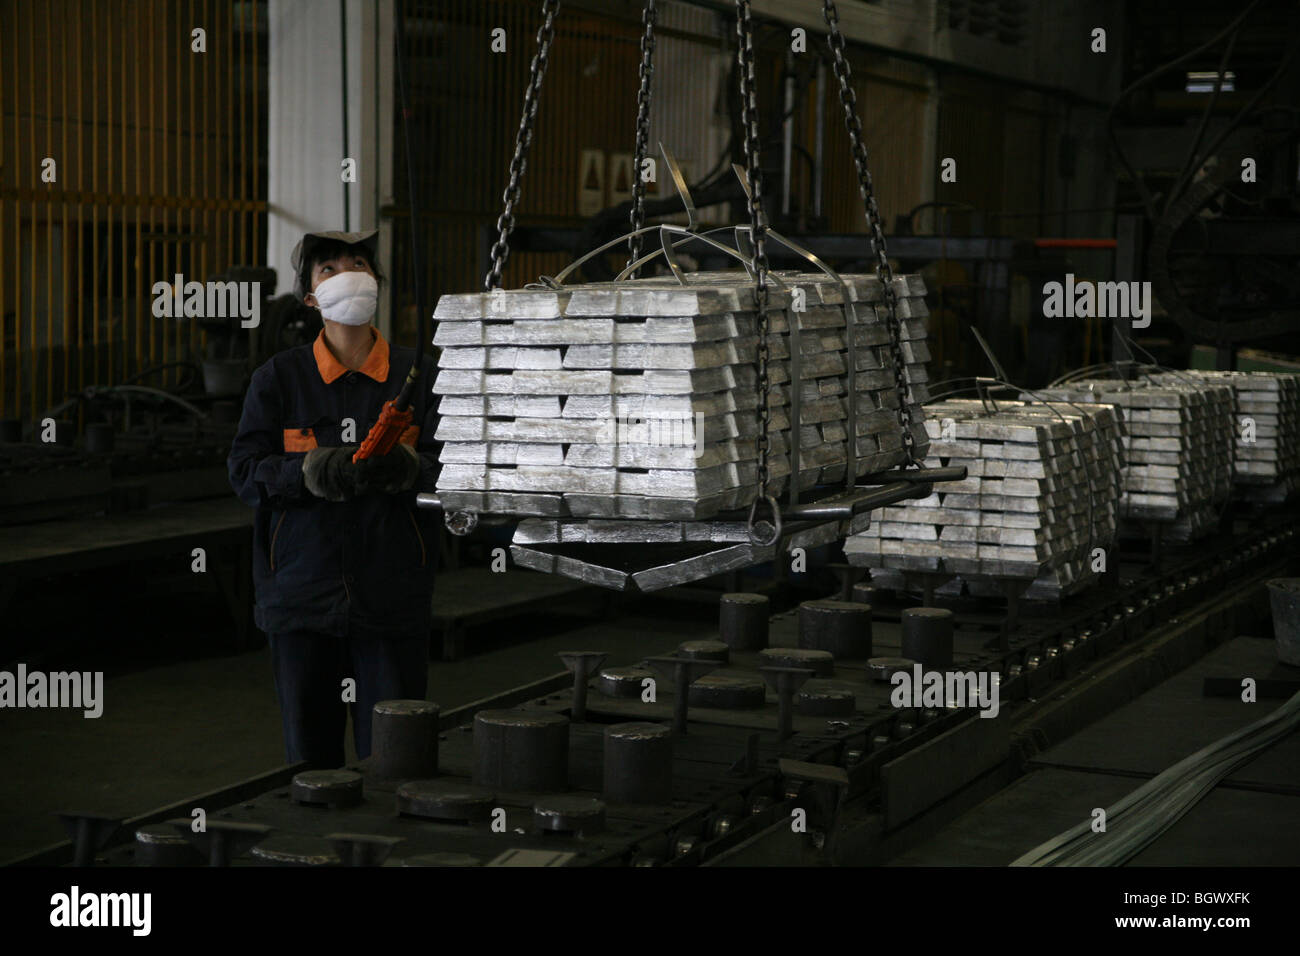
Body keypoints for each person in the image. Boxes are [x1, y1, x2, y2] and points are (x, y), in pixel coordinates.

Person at [228, 229, 438, 769]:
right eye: (330, 268)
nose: (349, 274)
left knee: (396, 759)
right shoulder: (278, 379)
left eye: (360, 265)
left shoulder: (418, 377)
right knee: (312, 766)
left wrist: (411, 467)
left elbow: (456, 469)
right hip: (300, 598)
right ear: (310, 297)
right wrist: (309, 471)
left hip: (391, 595)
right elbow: (245, 473)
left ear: (377, 285)